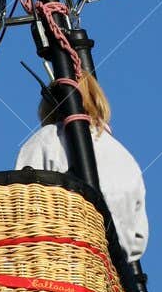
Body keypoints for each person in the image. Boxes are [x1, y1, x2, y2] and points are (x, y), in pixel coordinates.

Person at [15, 73, 148, 264]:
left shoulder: (48, 139)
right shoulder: (126, 158)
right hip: (107, 277)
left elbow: (21, 205)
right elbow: (138, 241)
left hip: (58, 263)